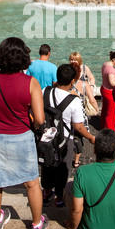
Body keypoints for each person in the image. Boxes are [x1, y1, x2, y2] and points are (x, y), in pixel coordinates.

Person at [0, 37, 48, 229]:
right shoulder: (30, 82)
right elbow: (39, 119)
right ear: (24, 57)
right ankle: (36, 225)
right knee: (32, 183)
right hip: (20, 136)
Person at [64, 128, 115, 229]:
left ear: (94, 150)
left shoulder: (83, 172)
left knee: (70, 186)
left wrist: (72, 227)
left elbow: (76, 210)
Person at [41, 64, 95, 208]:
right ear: (72, 81)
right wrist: (90, 138)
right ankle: (59, 198)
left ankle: (46, 193)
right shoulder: (74, 100)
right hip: (64, 139)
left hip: (46, 137)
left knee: (46, 165)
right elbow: (78, 126)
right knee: (62, 168)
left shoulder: (44, 91)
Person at [70, 62, 99, 168]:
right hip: (79, 113)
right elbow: (92, 99)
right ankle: (76, 160)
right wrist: (96, 108)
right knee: (79, 136)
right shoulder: (84, 84)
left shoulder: (64, 83)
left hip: (67, 113)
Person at [100, 51, 115, 131]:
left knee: (104, 110)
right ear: (114, 59)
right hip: (110, 92)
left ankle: (103, 126)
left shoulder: (105, 64)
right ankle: (109, 130)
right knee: (110, 112)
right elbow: (112, 83)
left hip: (104, 88)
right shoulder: (111, 70)